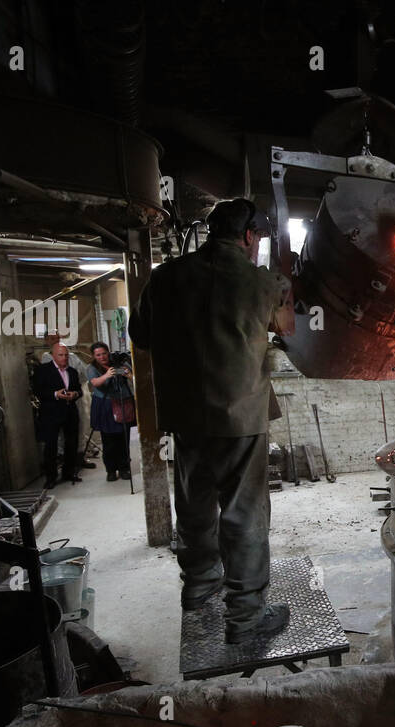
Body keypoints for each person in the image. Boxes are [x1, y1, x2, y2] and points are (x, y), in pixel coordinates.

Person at [129, 197, 293, 645]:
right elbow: (289, 330)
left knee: (195, 502)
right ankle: (245, 619)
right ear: (248, 237)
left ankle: (200, 587)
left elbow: (140, 336)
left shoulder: (164, 278)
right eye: (257, 238)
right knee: (244, 513)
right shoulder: (262, 282)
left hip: (186, 415)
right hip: (240, 415)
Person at [33, 341, 83, 488]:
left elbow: (79, 390)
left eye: (66, 355)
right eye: (61, 355)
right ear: (53, 356)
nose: (64, 358)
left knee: (71, 444)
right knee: (51, 446)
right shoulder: (43, 370)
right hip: (51, 413)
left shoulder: (72, 372)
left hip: (70, 412)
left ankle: (68, 472)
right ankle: (51, 477)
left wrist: (75, 394)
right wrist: (56, 394)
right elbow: (38, 391)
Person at [86, 341, 135, 482]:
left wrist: (128, 374)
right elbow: (94, 382)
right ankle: (111, 470)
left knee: (123, 439)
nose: (102, 357)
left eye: (104, 353)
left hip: (123, 403)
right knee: (108, 440)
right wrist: (107, 375)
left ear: (108, 352)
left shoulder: (119, 363)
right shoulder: (91, 368)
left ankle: (124, 468)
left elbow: (133, 378)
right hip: (105, 405)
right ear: (94, 356)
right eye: (98, 355)